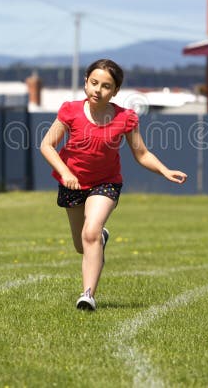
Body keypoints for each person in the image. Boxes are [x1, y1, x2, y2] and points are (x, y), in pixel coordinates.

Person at [40, 59, 187, 311]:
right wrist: (65, 172)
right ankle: (99, 237)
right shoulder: (70, 111)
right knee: (81, 246)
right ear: (85, 82)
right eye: (94, 83)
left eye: (106, 86)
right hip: (72, 184)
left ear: (116, 91)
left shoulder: (126, 118)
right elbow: (47, 145)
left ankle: (88, 295)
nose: (98, 90)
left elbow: (142, 154)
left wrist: (164, 170)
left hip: (105, 184)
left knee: (91, 233)